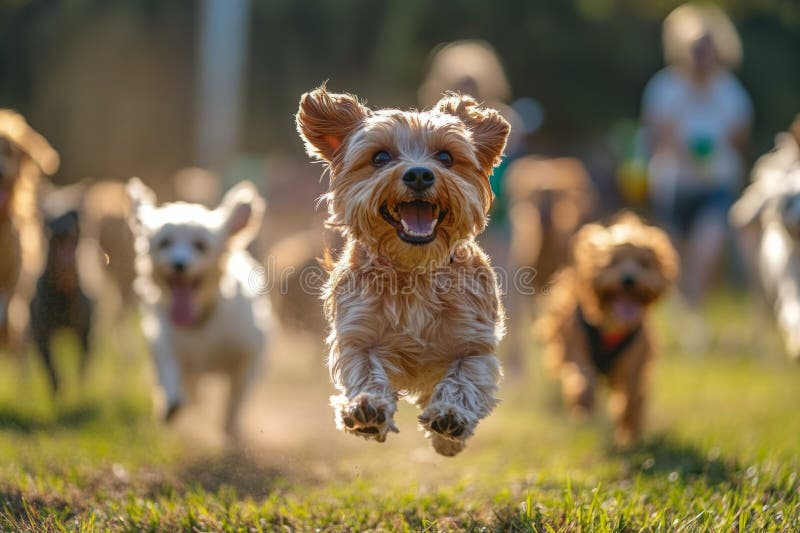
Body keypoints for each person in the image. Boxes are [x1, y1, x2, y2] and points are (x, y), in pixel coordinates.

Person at [642, 3, 752, 311]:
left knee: (708, 248)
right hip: (673, 185)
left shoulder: (731, 92)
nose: (702, 56)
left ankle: (696, 310)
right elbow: (657, 135)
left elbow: (739, 138)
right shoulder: (665, 88)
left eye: (708, 48)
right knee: (674, 256)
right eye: (696, 48)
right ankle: (682, 316)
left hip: (716, 185)